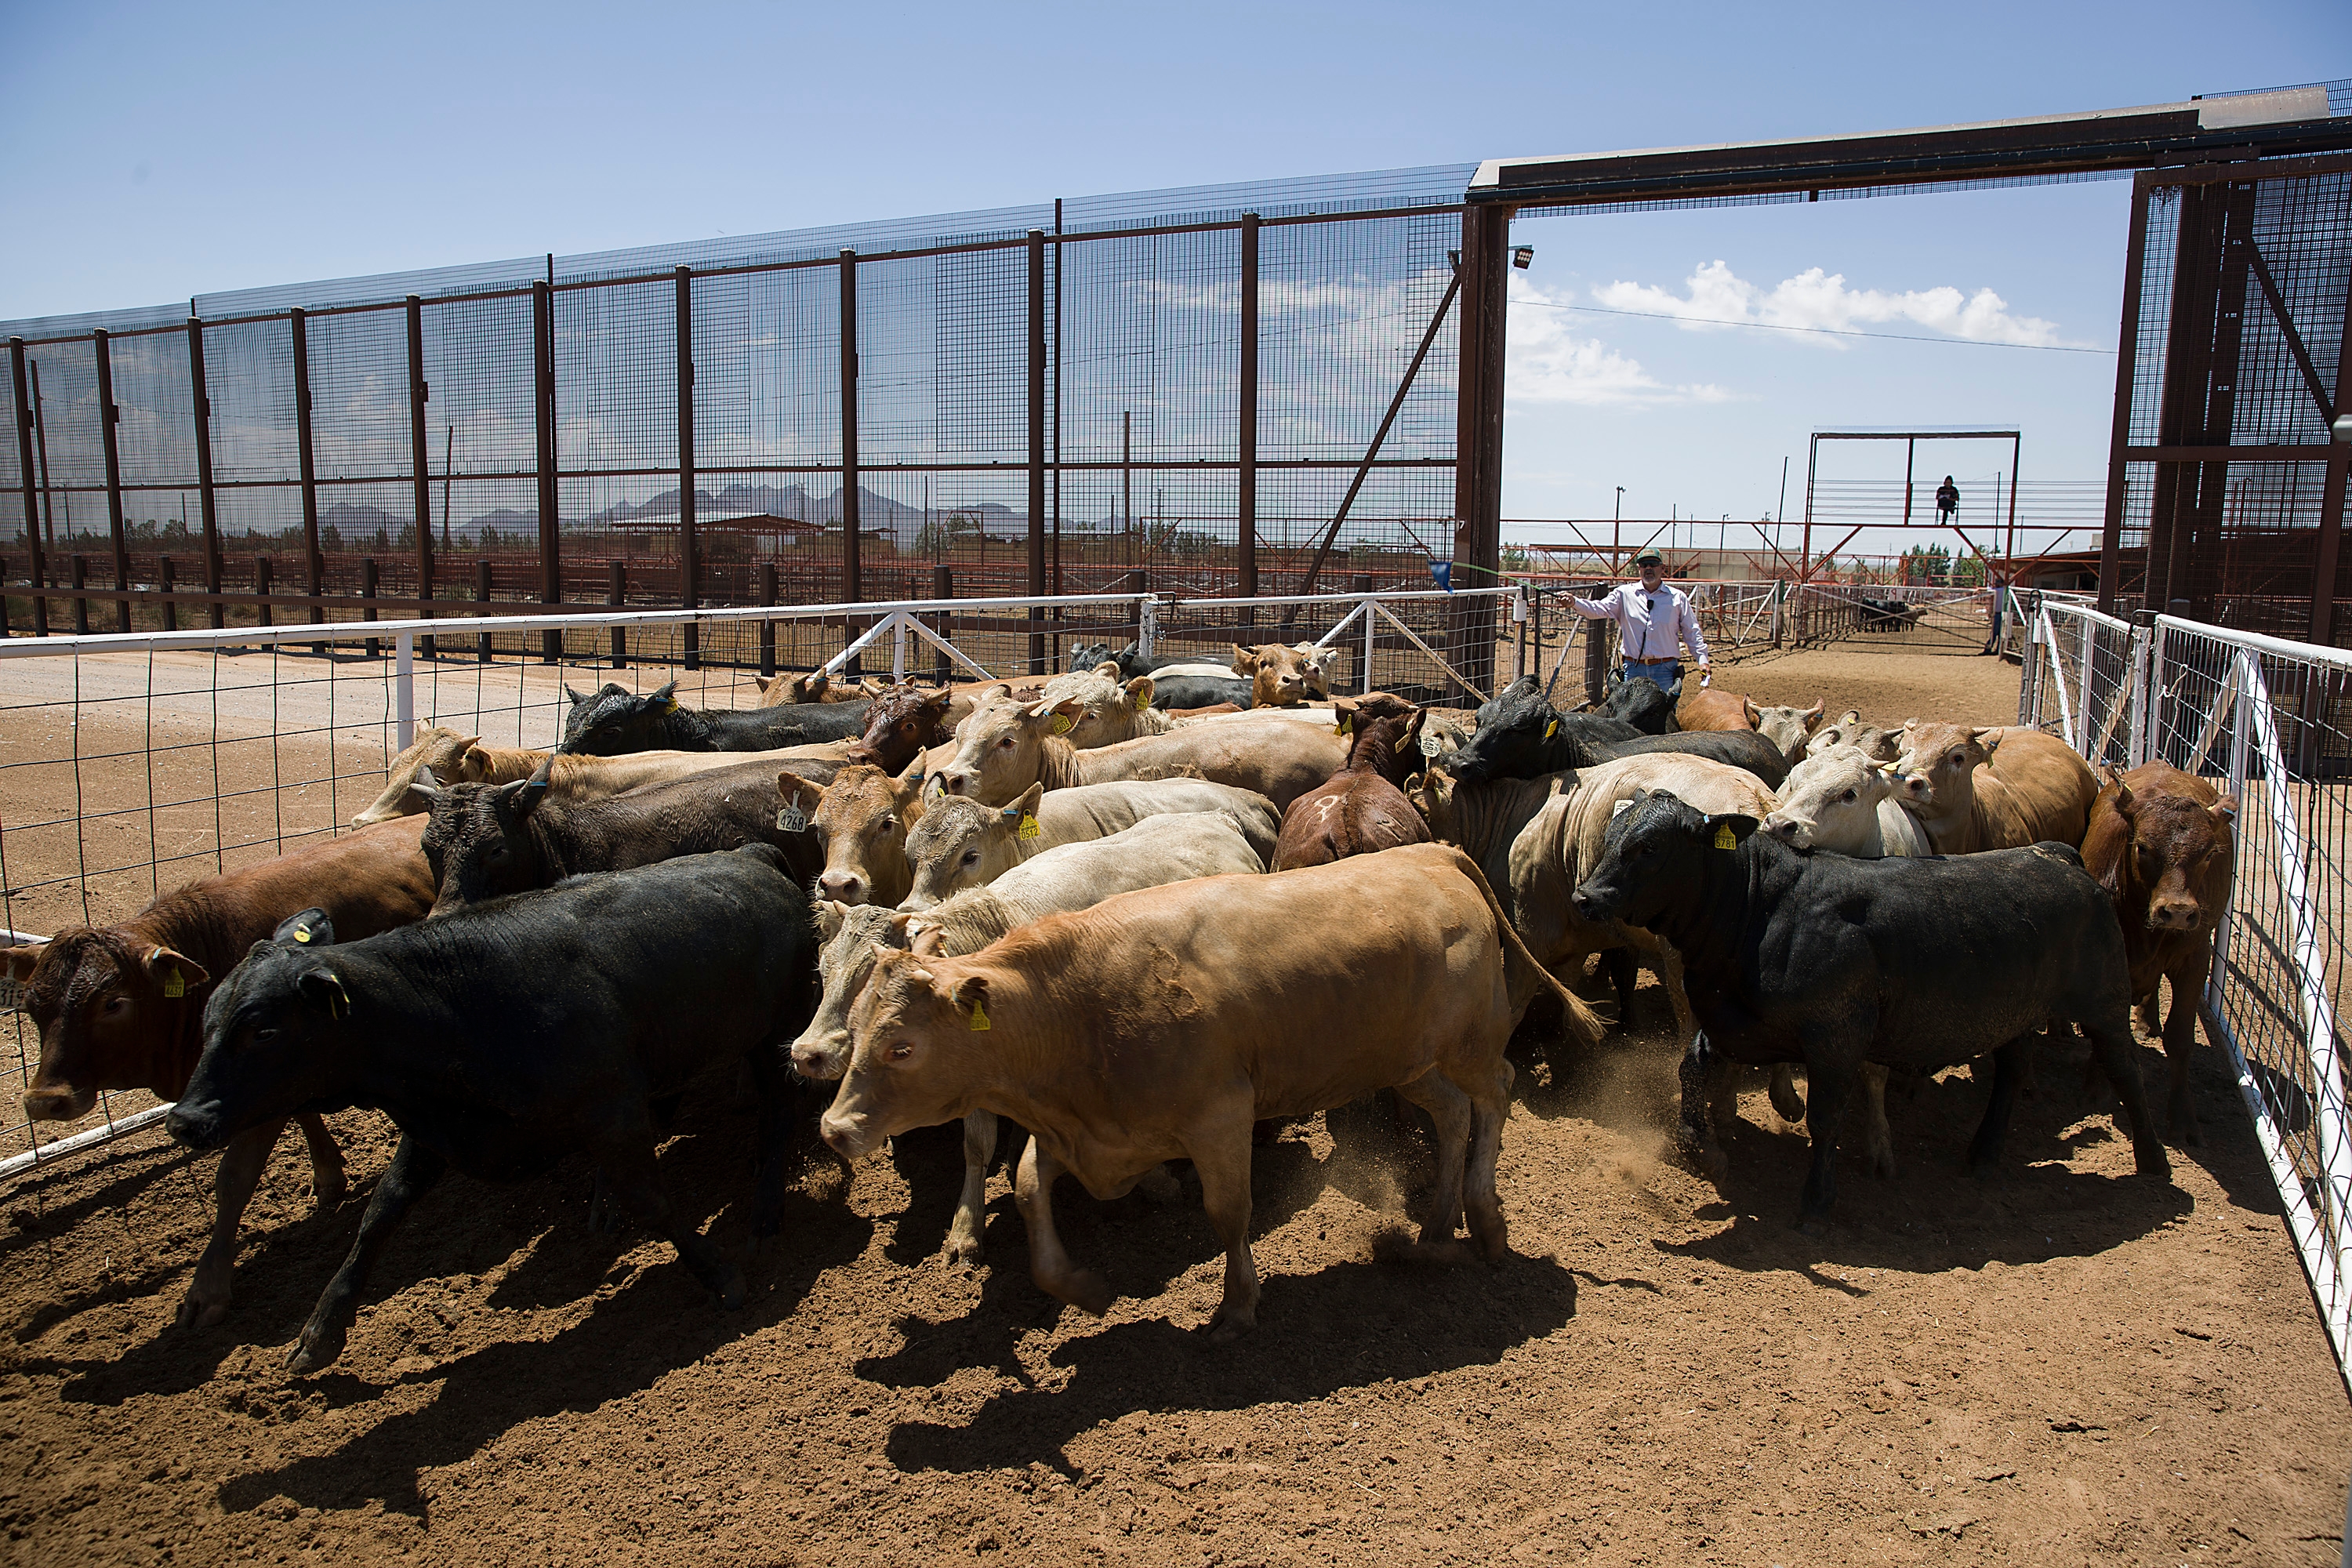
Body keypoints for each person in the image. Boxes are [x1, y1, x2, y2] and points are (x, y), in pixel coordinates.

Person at [1570, 549, 1708, 692]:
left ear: (1663, 568)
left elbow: (1691, 631)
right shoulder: (1624, 594)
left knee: (1664, 714)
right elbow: (1597, 609)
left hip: (1665, 670)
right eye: (1644, 564)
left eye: (1653, 564)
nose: (1648, 568)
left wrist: (1702, 660)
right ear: (1639, 569)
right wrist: (1574, 602)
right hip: (1634, 669)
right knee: (1631, 713)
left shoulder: (1677, 598)